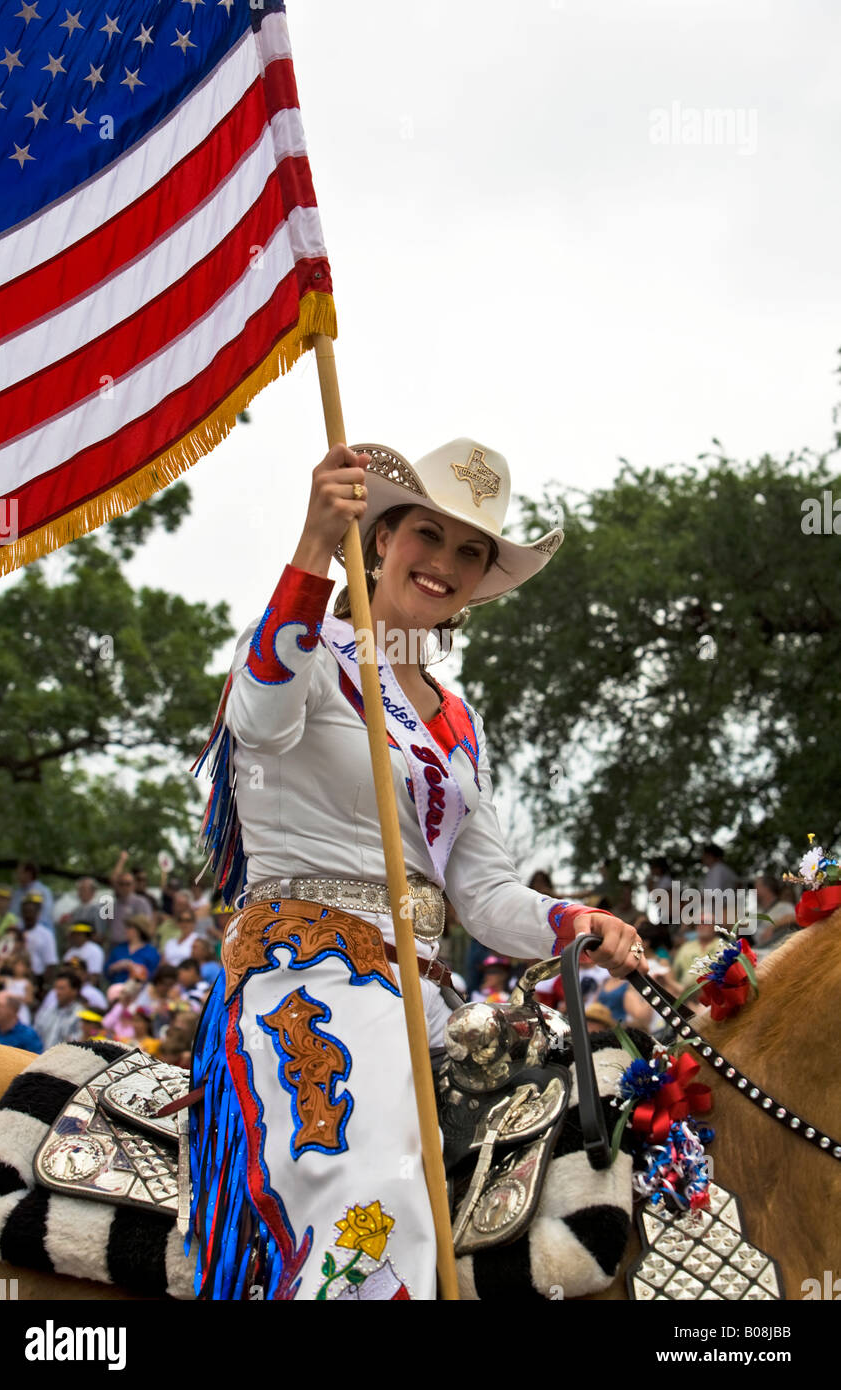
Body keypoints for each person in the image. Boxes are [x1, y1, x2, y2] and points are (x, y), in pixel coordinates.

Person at [188, 438, 646, 1303]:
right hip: (308, 974)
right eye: (426, 536)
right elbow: (257, 722)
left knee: (575, 1143)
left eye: (470, 552)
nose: (444, 563)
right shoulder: (306, 640)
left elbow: (485, 893)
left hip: (431, 997)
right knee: (381, 1203)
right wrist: (314, 545)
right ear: (383, 535)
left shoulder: (459, 722)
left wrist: (573, 923)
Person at [33, 968, 85, 1048]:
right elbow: (35, 1035)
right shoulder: (46, 1011)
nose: (58, 992)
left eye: (62, 988)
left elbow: (79, 1041)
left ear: (75, 991)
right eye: (56, 988)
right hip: (40, 1057)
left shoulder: (81, 1014)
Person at [104, 915, 159, 984]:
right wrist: (116, 966)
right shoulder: (119, 949)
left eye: (129, 928)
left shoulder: (151, 952)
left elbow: (153, 975)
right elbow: (106, 972)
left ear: (138, 931)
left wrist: (134, 967)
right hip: (117, 990)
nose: (126, 931)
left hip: (139, 991)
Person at [19, 894, 58, 983]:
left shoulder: (46, 934)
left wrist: (44, 986)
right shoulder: (17, 930)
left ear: (37, 913)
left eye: (31, 911)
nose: (28, 915)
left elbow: (51, 963)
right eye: (25, 911)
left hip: (36, 978)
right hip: (16, 977)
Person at [9, 861, 54, 929]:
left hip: (40, 934)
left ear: (28, 874)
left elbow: (45, 916)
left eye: (19, 873)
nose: (17, 876)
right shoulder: (17, 893)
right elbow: (12, 913)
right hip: (19, 933)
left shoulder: (44, 892)